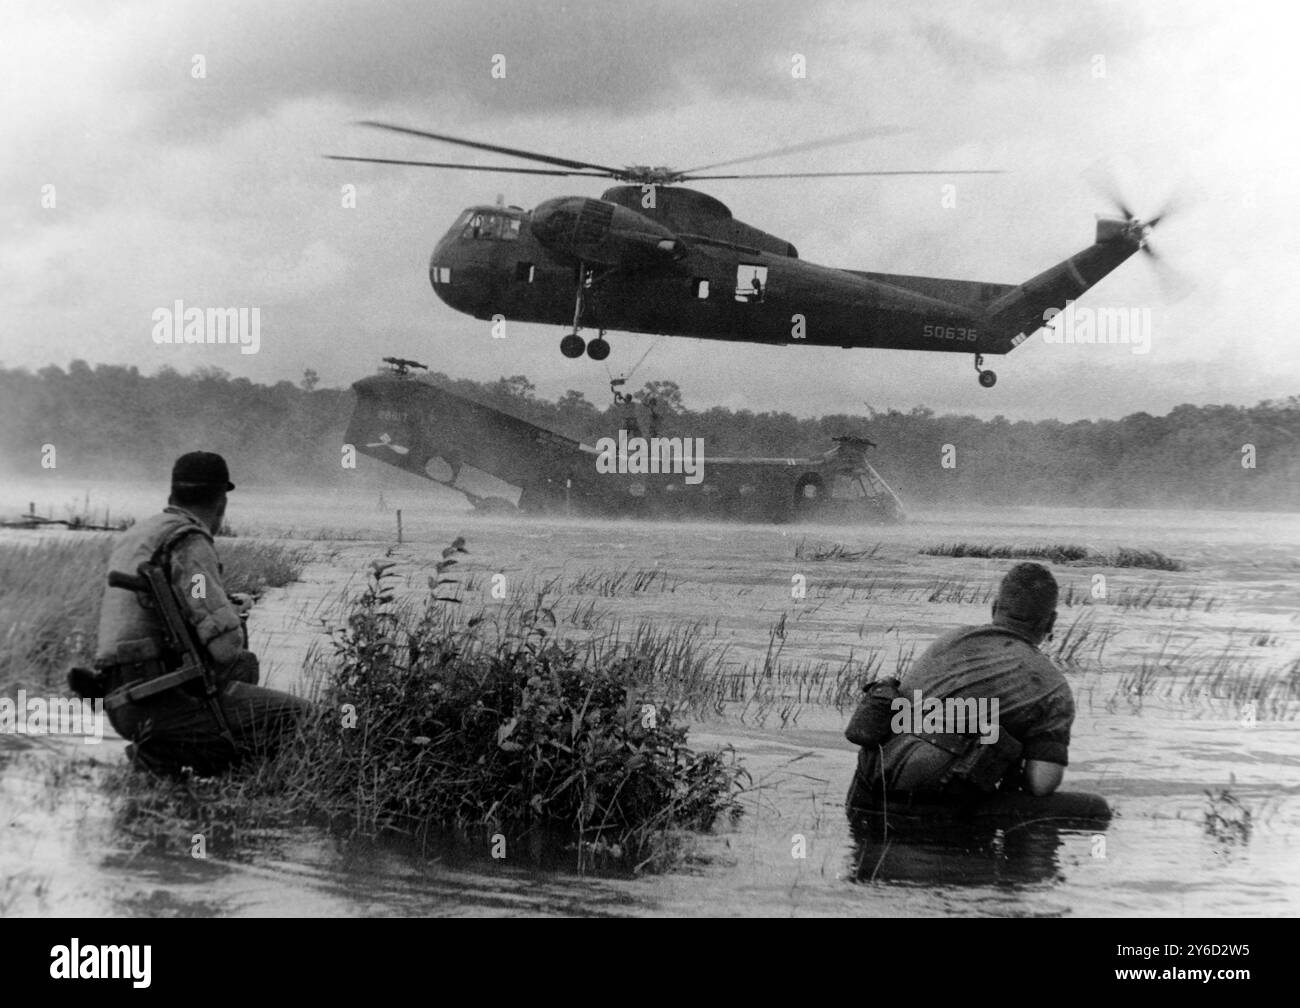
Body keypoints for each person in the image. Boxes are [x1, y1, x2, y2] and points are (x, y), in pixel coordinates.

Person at [89, 451, 311, 776]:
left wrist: (217, 607)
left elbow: (192, 595)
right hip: (161, 702)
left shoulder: (140, 534)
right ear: (221, 502)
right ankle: (245, 779)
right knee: (306, 716)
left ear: (172, 494)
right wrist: (234, 616)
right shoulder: (188, 542)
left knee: (243, 670)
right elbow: (224, 648)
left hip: (123, 702)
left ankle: (163, 762)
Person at [845, 562, 1076, 813]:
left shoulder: (947, 642)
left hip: (864, 794)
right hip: (930, 810)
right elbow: (1042, 783)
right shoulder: (1053, 686)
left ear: (995, 607)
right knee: (1096, 809)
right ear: (1051, 622)